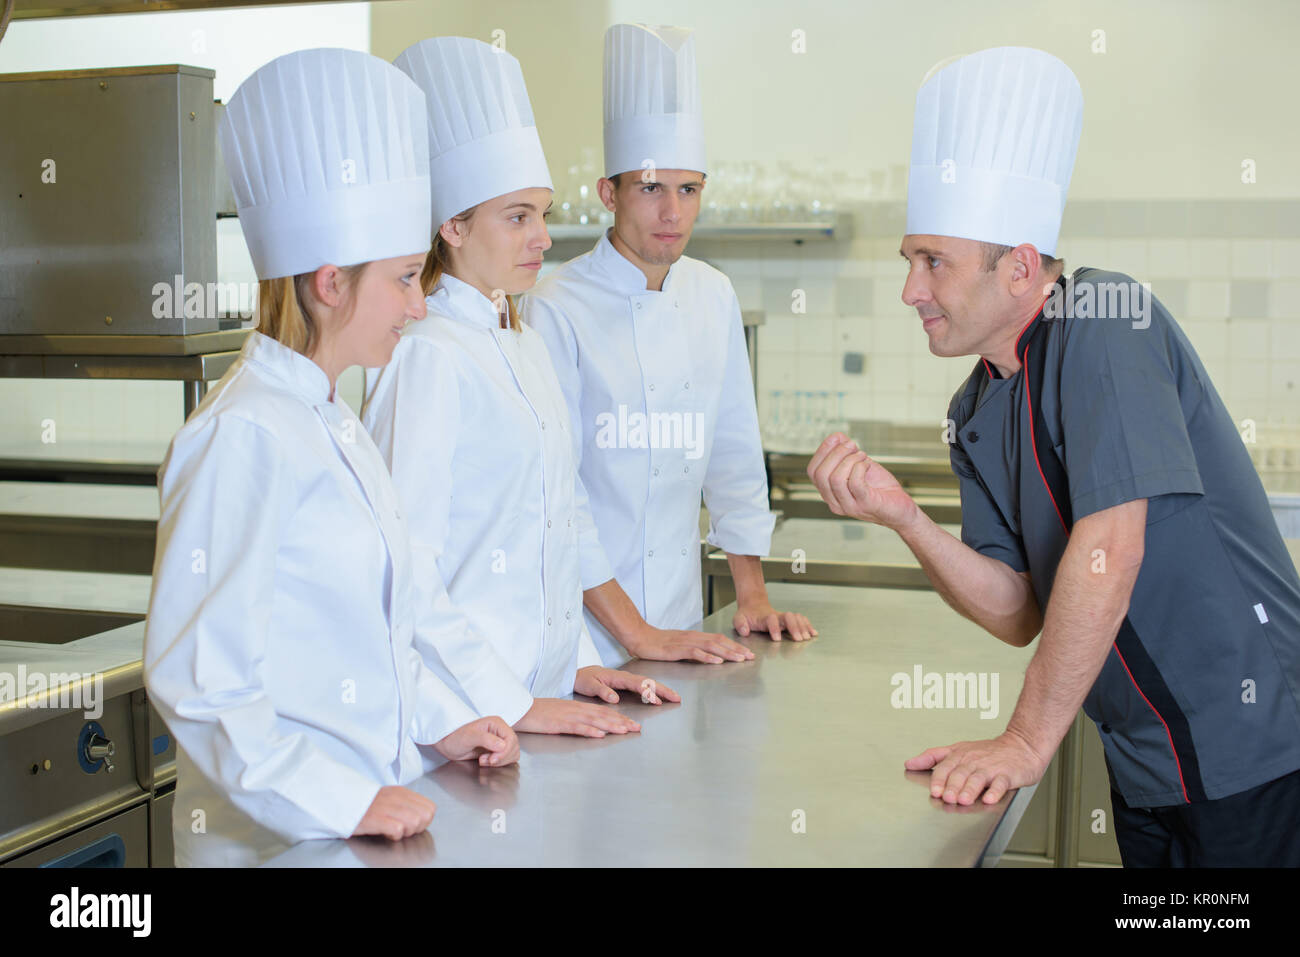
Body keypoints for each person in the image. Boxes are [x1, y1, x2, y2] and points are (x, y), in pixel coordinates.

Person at [807, 46, 1300, 867]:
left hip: (1254, 750)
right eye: (909, 260)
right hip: (1147, 764)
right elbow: (1015, 608)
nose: (910, 291)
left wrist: (1027, 740)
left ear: (1020, 268)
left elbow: (1110, 549)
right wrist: (903, 517)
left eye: (934, 262)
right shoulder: (975, 408)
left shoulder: (1108, 323)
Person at [143, 48, 519, 868]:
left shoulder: (333, 420)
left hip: (370, 829)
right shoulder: (242, 435)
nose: (421, 306)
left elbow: (374, 636)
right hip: (277, 843)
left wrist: (435, 721)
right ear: (329, 284)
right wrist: (343, 798)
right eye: (403, 281)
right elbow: (200, 685)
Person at [362, 36, 679, 739]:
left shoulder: (523, 341)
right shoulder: (426, 357)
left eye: (542, 212)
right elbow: (408, 571)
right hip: (465, 724)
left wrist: (574, 665)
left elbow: (553, 527)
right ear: (451, 226)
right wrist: (515, 700)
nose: (543, 236)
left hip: (531, 707)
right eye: (518, 217)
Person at [523, 23, 815, 669]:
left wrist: (752, 595)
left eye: (689, 190)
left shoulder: (712, 293)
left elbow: (735, 450)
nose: (672, 213)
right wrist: (633, 635)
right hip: (584, 637)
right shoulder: (552, 306)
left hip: (681, 619)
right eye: (651, 188)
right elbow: (557, 496)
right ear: (609, 193)